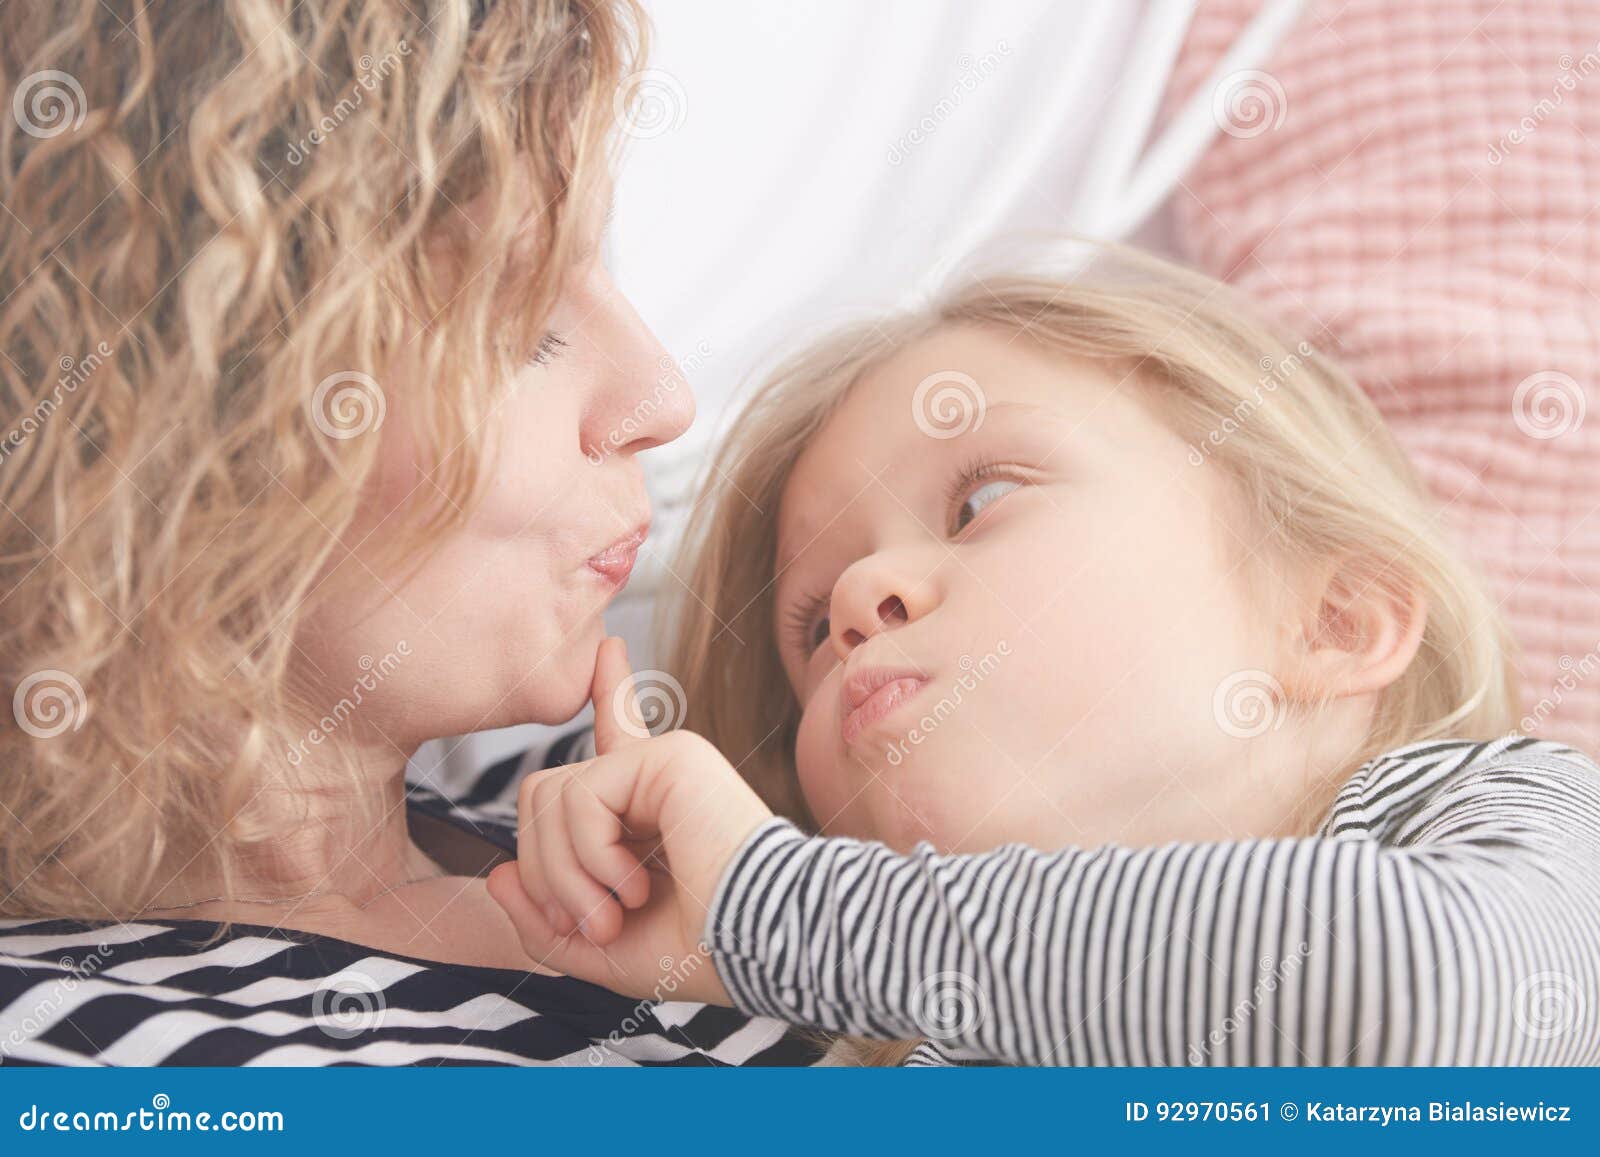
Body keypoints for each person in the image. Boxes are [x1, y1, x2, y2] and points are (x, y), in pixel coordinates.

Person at [487, 247, 1600, 1066]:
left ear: (1333, 621)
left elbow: (1431, 991)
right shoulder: (867, 1041)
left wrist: (774, 908)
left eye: (981, 500)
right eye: (813, 625)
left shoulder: (1503, 813)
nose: (867, 600)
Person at [0, 0, 817, 1065]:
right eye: (518, 326)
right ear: (173, 424)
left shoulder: (626, 816)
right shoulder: (72, 1049)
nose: (662, 396)